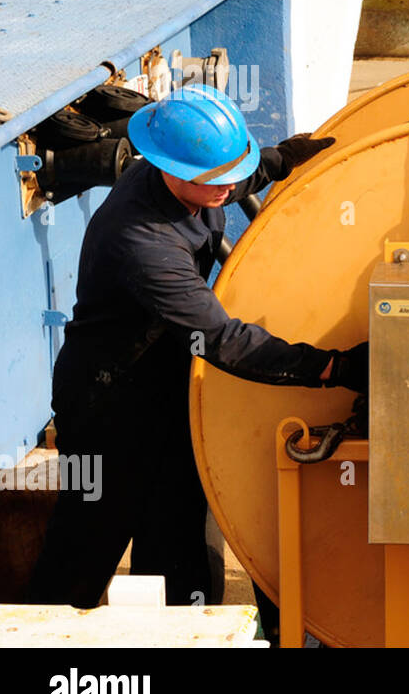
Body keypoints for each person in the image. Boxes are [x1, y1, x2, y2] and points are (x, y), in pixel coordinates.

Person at [26, 84, 368, 610]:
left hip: (166, 386)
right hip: (107, 405)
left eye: (235, 171)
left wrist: (280, 159)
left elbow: (230, 176)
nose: (228, 188)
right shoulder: (143, 242)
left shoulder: (197, 180)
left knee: (179, 540)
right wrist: (333, 367)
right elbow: (224, 342)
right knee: (85, 549)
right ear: (168, 169)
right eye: (216, 178)